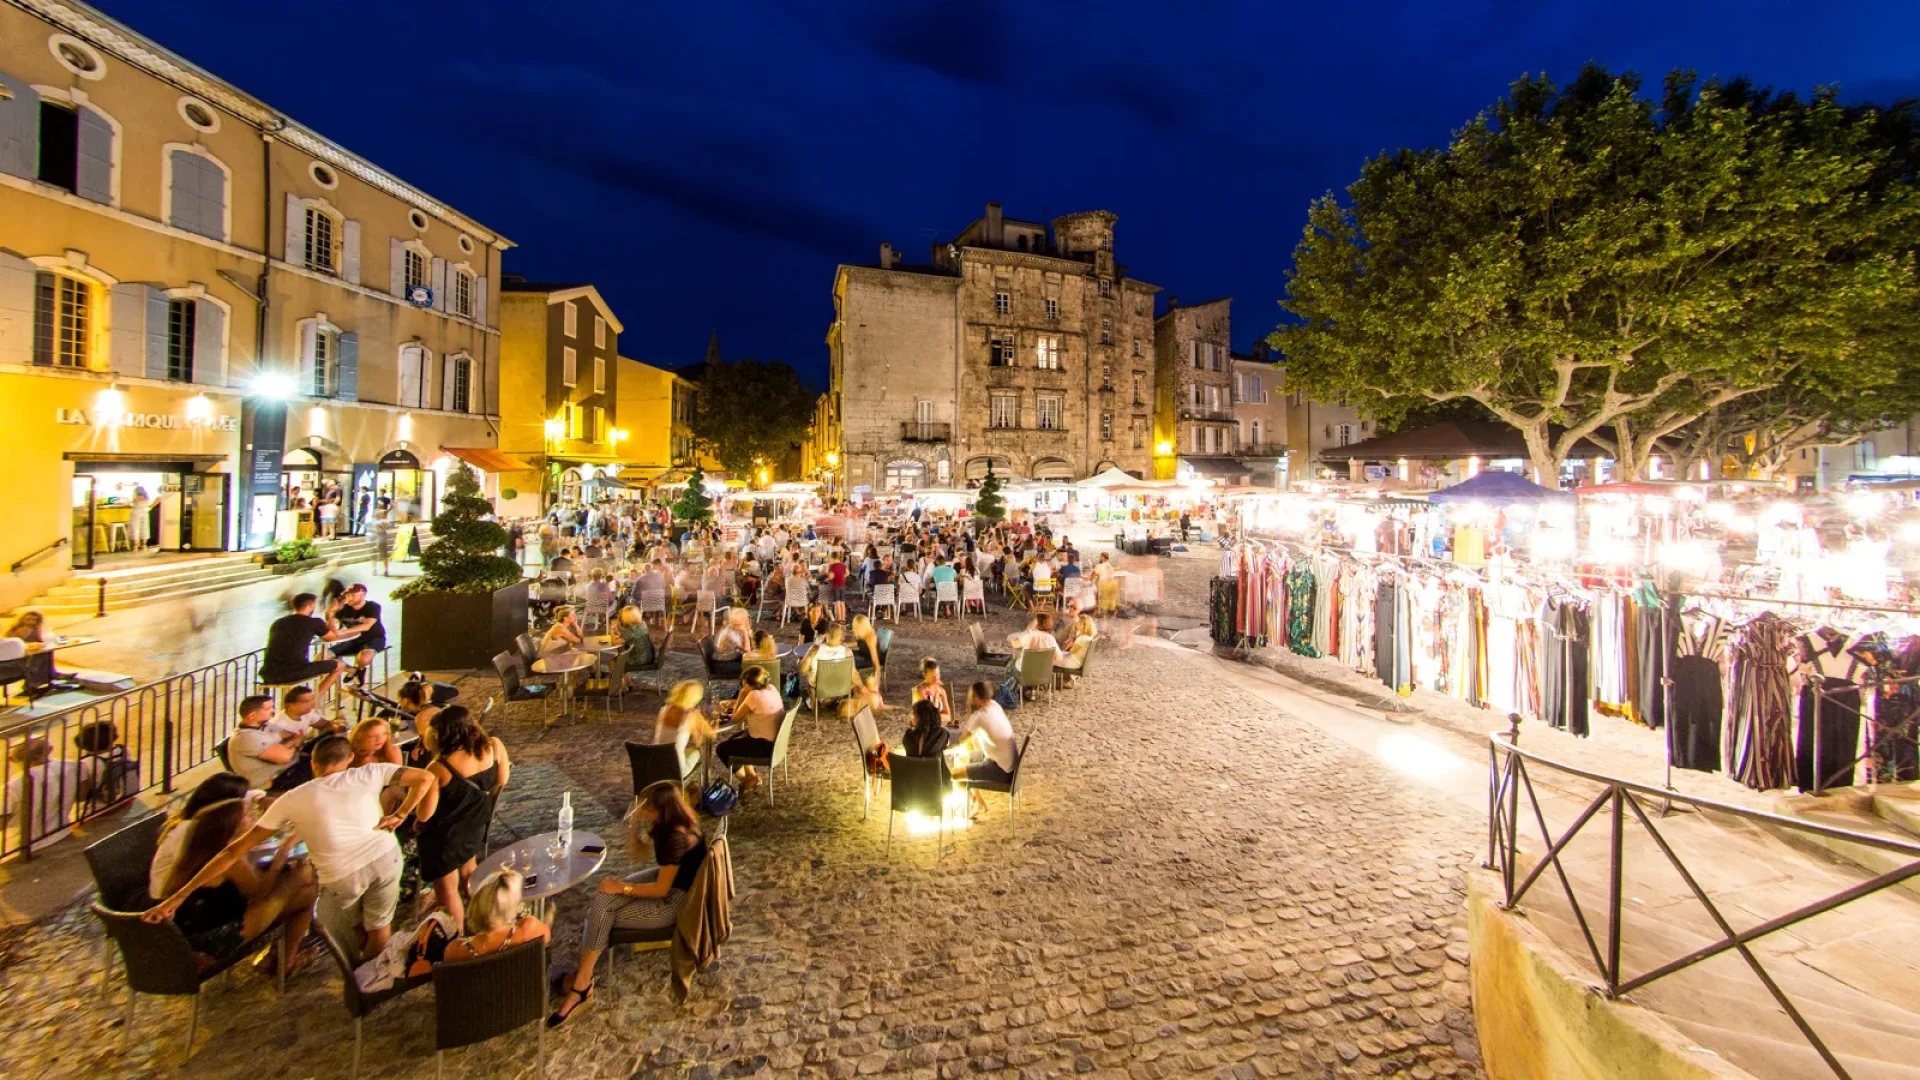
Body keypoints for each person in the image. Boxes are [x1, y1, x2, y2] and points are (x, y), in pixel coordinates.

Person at [146, 736, 438, 957]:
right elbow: (425, 777)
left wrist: (175, 899)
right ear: (350, 759)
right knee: (370, 921)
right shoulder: (369, 773)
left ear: (313, 763)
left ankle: (338, 961)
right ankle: (366, 971)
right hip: (386, 859)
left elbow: (233, 853)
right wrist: (400, 815)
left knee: (332, 909)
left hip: (340, 877)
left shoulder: (291, 799)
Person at [549, 781, 708, 1027]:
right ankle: (581, 982)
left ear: (660, 810)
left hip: (677, 902)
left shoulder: (674, 837)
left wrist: (623, 888)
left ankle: (581, 987)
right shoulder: (680, 822)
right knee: (604, 899)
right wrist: (634, 827)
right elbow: (639, 854)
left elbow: (660, 890)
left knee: (603, 909)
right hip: (676, 883)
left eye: (645, 806)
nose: (640, 808)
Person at [153, 787, 317, 966]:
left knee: (307, 894)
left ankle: (284, 961)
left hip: (187, 933)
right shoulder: (228, 860)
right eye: (248, 814)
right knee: (303, 875)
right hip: (212, 939)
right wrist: (283, 854)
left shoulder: (196, 850)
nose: (254, 816)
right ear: (232, 827)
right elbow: (260, 893)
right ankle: (285, 962)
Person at [416, 706, 511, 931]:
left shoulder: (440, 767)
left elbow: (425, 814)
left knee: (448, 890)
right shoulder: (494, 746)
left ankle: (455, 937)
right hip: (476, 823)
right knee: (471, 873)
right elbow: (502, 779)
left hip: (446, 834)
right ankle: (488, 923)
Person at [259, 592, 355, 702]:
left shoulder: (278, 622)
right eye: (314, 605)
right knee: (339, 665)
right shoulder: (314, 622)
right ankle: (313, 701)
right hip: (294, 671)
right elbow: (332, 637)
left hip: (268, 673)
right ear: (310, 606)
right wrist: (330, 614)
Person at [442, 867, 550, 963]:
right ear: (514, 907)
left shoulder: (454, 951)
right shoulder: (529, 930)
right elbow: (547, 937)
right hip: (522, 983)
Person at [2, 737, 89, 852]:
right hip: (62, 832)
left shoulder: (13, 786)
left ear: (12, 759)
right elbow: (82, 797)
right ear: (50, 749)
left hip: (22, 846)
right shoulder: (74, 766)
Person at [952, 681, 1019, 819]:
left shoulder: (979, 717)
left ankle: (973, 803)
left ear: (977, 698)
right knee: (964, 757)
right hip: (1010, 764)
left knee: (953, 774)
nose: (968, 697)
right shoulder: (995, 705)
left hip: (1000, 769)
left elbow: (960, 740)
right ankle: (979, 802)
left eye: (971, 695)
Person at [716, 665, 783, 792]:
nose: (743, 687)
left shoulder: (753, 695)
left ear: (751, 685)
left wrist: (741, 695)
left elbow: (735, 718)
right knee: (736, 739)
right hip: (776, 741)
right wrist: (738, 702)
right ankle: (751, 775)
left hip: (764, 746)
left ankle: (745, 779)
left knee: (722, 749)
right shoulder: (771, 688)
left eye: (744, 684)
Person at [229, 693, 304, 792]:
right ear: (252, 715)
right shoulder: (246, 737)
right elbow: (286, 757)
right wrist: (294, 742)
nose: (273, 711)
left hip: (290, 767)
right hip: (273, 781)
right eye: (268, 709)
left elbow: (291, 735)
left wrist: (289, 743)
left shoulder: (265, 725)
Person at [654, 680, 715, 776]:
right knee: (696, 752)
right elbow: (711, 735)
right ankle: (691, 786)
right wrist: (717, 719)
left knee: (684, 751)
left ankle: (688, 788)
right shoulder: (693, 715)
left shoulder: (664, 709)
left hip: (656, 766)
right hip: (676, 770)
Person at [331, 583, 386, 684]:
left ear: (363, 594)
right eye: (347, 595)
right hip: (352, 640)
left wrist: (342, 632)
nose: (349, 598)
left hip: (373, 638)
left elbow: (367, 626)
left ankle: (359, 667)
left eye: (353, 595)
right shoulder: (343, 608)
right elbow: (331, 628)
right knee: (321, 657)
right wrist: (330, 613)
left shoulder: (372, 606)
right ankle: (353, 670)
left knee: (364, 658)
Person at [268, 684, 340, 746]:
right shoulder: (278, 724)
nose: (311, 704)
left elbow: (325, 724)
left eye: (311, 700)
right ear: (289, 705)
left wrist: (336, 728)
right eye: (305, 702)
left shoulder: (307, 714)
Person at [128, 485, 152, 551]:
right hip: (144, 512)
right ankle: (143, 545)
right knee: (144, 529)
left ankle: (135, 546)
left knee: (135, 528)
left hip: (136, 512)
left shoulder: (136, 497)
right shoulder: (146, 498)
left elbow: (129, 503)